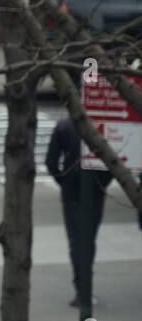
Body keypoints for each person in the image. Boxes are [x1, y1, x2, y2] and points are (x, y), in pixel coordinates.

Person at [46, 113, 109, 307]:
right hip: (96, 186)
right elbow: (112, 159)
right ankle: (85, 287)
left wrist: (63, 181)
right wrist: (104, 183)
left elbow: (51, 161)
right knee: (88, 238)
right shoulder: (100, 125)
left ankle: (82, 287)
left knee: (76, 239)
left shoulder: (64, 125)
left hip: (72, 187)